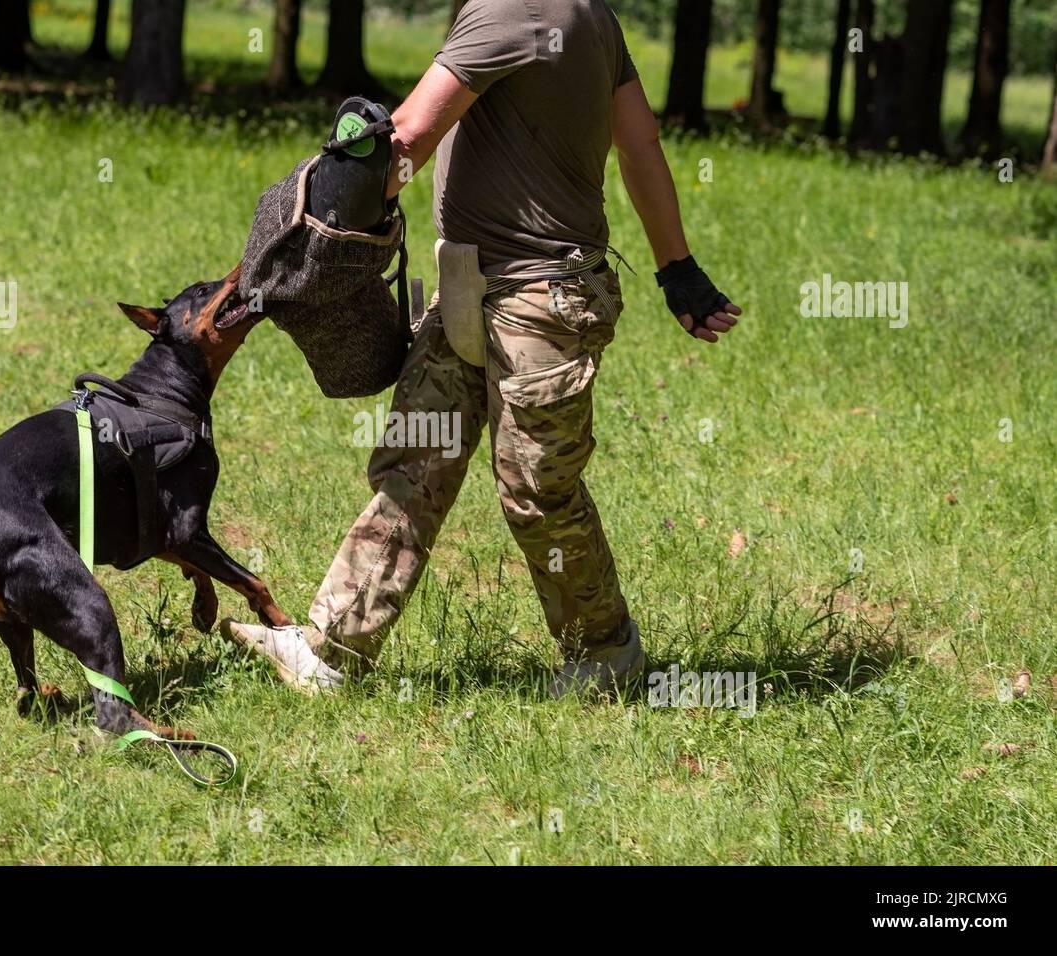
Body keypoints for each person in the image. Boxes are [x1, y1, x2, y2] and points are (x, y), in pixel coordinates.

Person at [225, 0, 741, 697]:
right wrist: (675, 265)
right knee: (417, 460)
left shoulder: (514, 8)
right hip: (468, 283)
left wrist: (312, 228)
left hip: (539, 304)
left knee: (537, 490)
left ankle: (605, 653)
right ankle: (333, 652)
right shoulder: (589, 12)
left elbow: (406, 138)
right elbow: (640, 142)